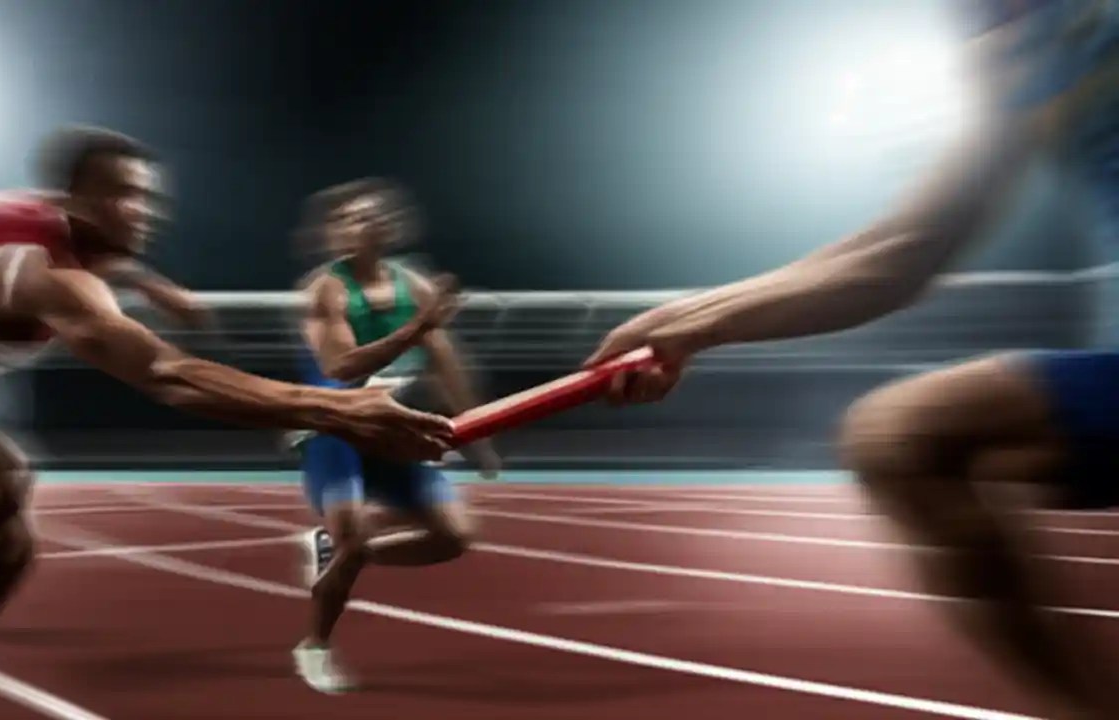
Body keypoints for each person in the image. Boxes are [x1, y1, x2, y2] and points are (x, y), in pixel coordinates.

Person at [587, 2, 1119, 717]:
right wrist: (686, 324)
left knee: (921, 435)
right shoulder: (1027, 53)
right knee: (914, 441)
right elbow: (896, 253)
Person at [0, 128, 453, 720]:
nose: (145, 211)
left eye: (150, 197)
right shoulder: (45, 276)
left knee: (11, 543)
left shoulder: (52, 220)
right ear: (77, 200)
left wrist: (160, 291)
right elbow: (168, 376)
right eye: (124, 196)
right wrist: (338, 408)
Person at [290, 178, 500, 694]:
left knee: (453, 537)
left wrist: (476, 431)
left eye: (374, 214)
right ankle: (315, 645)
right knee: (353, 538)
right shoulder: (326, 289)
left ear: (392, 226)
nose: (366, 222)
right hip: (334, 424)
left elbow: (446, 361)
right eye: (352, 217)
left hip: (392, 424)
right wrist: (416, 328)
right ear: (337, 233)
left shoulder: (416, 286)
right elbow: (340, 366)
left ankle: (342, 551)